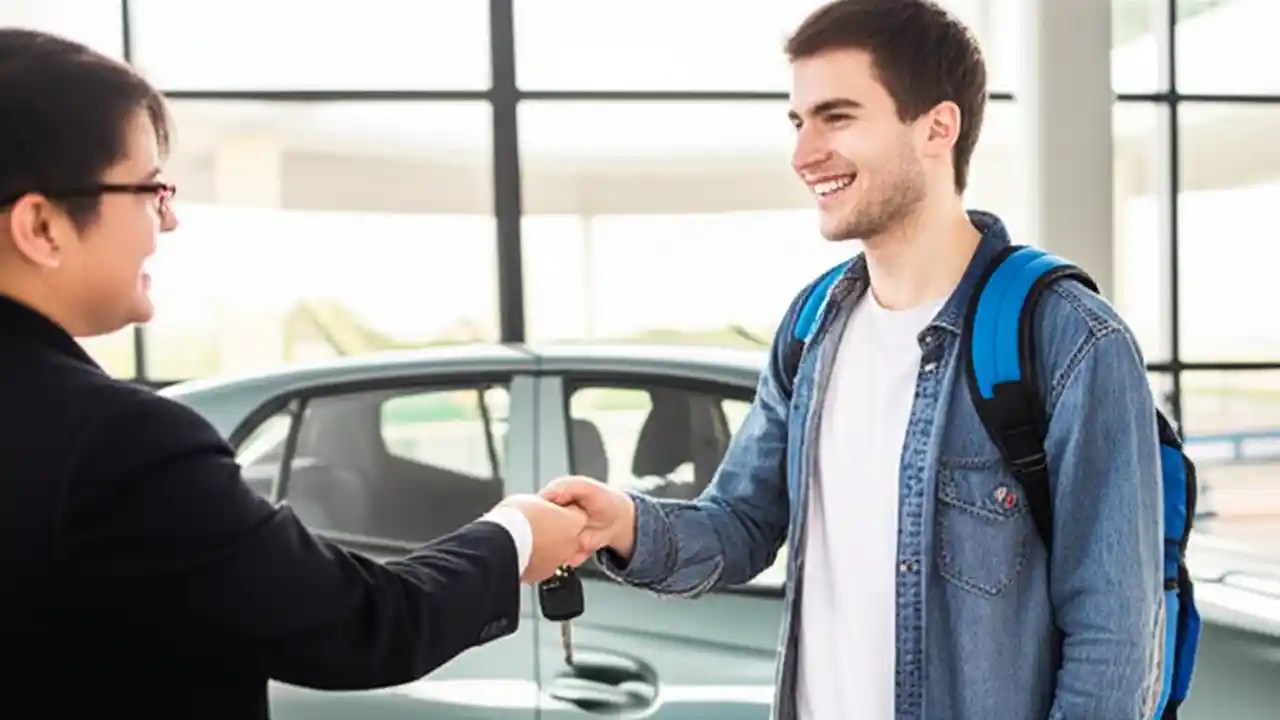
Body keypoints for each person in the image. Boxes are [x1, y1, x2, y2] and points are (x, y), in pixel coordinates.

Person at [542, 1, 1164, 718]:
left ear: (938, 127)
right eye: (798, 122)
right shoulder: (813, 328)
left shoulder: (1069, 341)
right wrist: (621, 521)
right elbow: (742, 526)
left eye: (837, 118)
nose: (804, 155)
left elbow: (1115, 641)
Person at [0, 28, 586, 717]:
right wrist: (515, 537)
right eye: (151, 189)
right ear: (41, 227)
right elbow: (359, 626)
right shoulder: (117, 444)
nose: (171, 220)